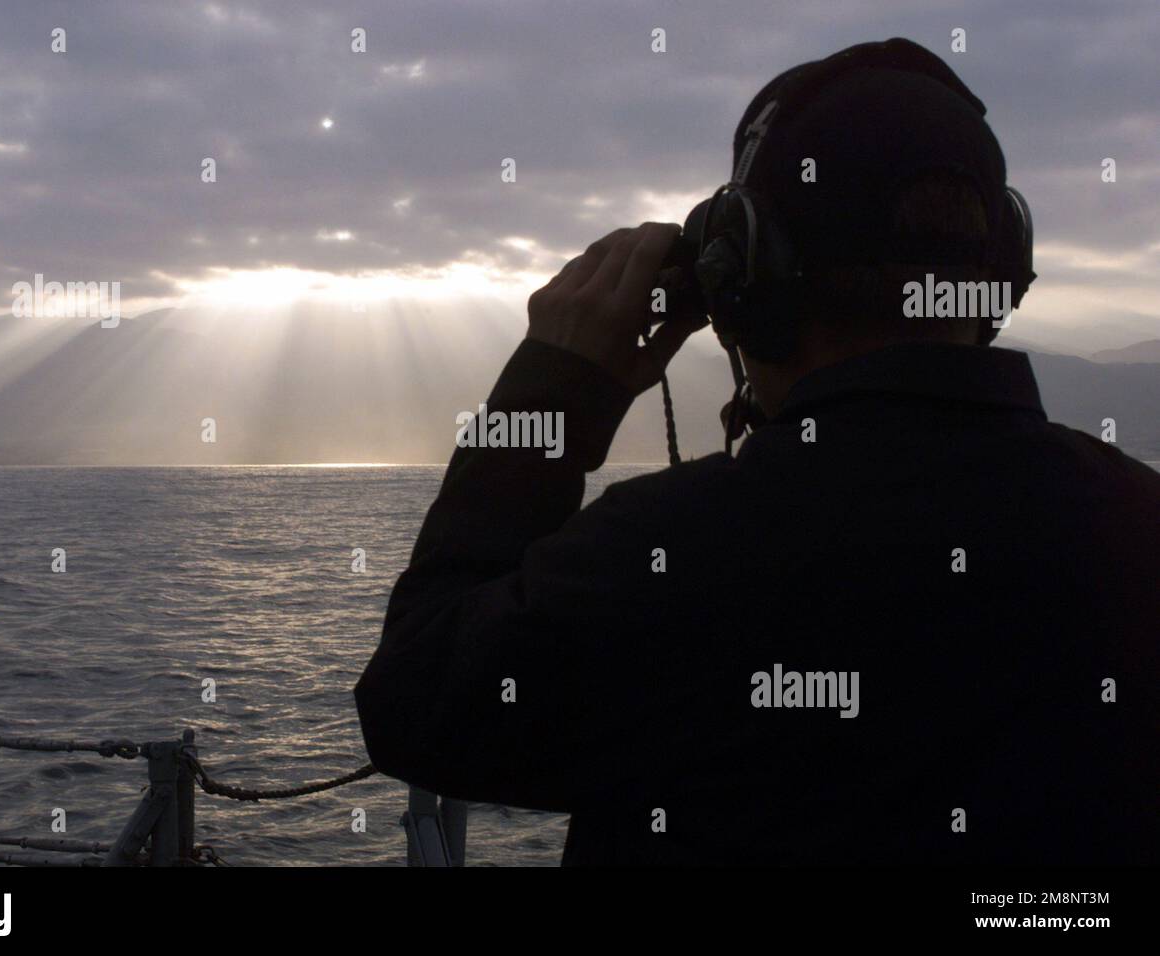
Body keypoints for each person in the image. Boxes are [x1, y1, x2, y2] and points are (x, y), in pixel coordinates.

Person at [354, 38, 1159, 865]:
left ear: (745, 282)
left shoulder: (662, 561)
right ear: (1004, 267)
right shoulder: (1137, 528)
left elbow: (414, 705)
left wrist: (552, 392)